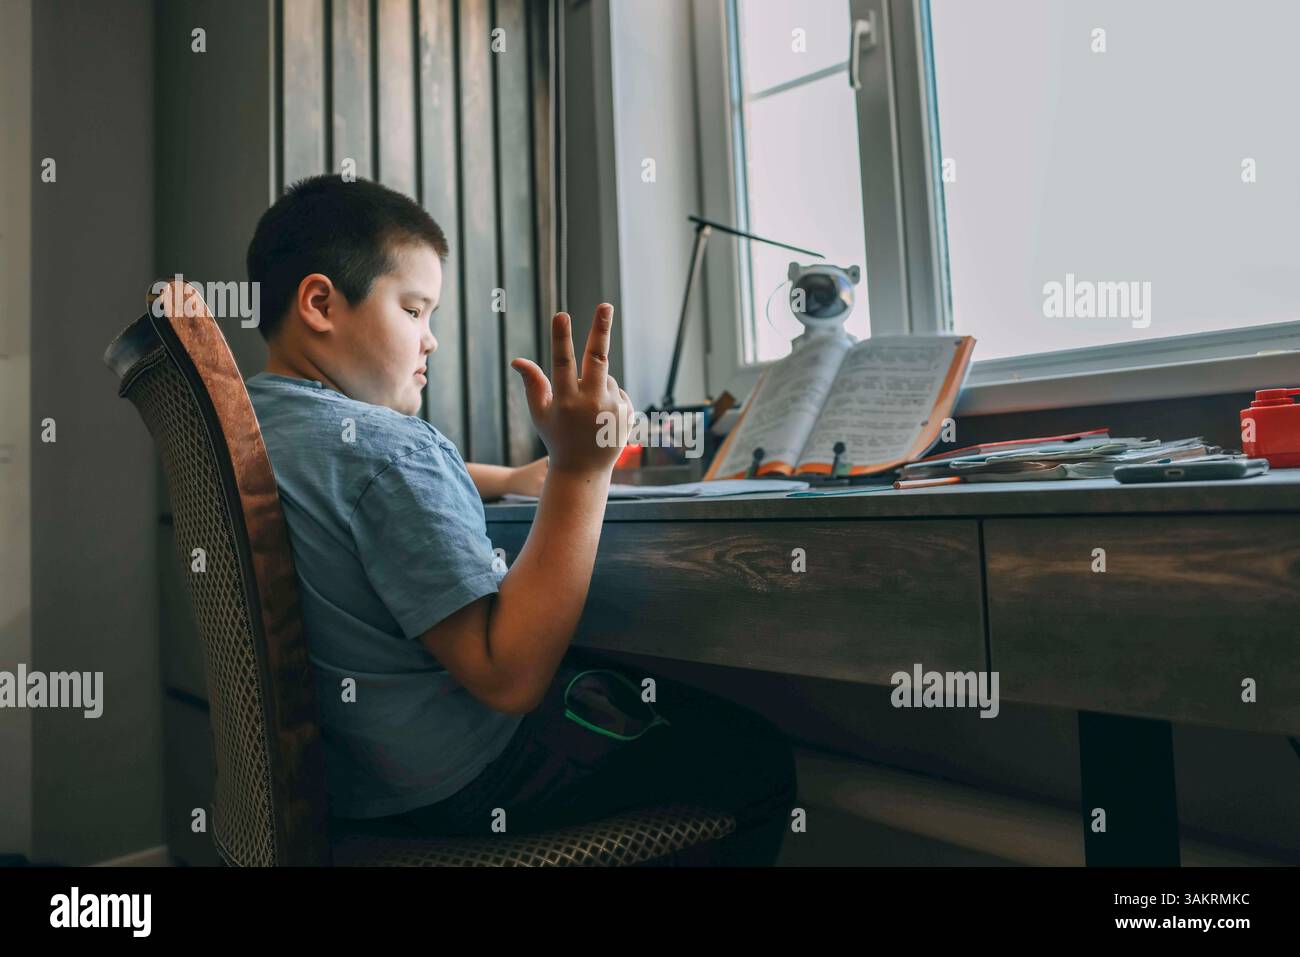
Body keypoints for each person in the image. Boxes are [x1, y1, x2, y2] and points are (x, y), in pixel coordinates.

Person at [243, 173, 798, 865]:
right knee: (756, 759)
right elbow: (508, 677)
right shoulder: (390, 451)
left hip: (355, 781)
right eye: (416, 309)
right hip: (462, 781)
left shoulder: (258, 424)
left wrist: (507, 479)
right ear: (321, 303)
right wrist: (580, 471)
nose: (431, 340)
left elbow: (356, 486)